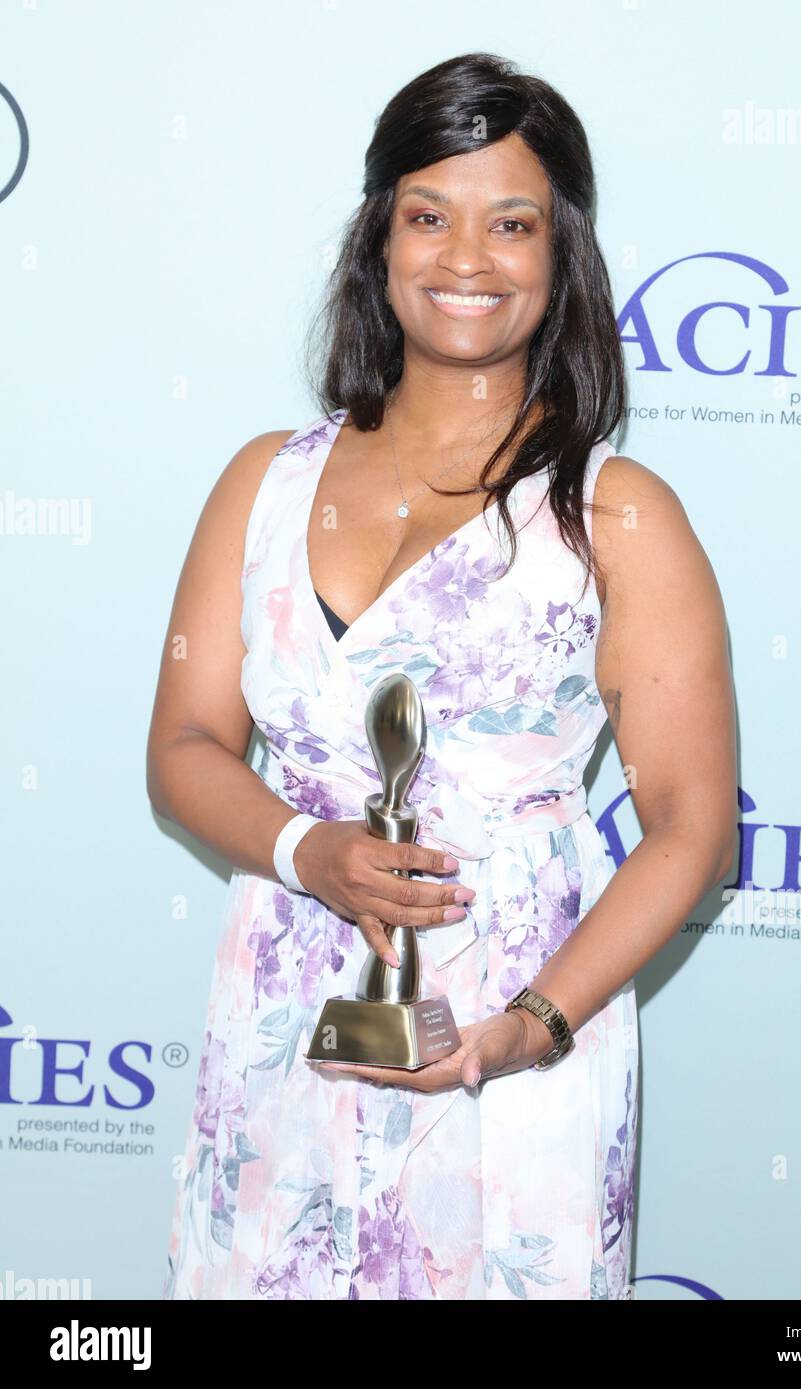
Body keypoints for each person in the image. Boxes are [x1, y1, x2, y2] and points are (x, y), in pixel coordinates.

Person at [147, 51, 737, 1301]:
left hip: (513, 1029)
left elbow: (688, 829)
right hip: (287, 1011)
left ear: (560, 256)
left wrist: (533, 1024)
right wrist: (308, 848)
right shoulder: (265, 482)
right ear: (378, 242)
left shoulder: (616, 517)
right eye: (429, 216)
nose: (465, 258)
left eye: (509, 223)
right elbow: (186, 747)